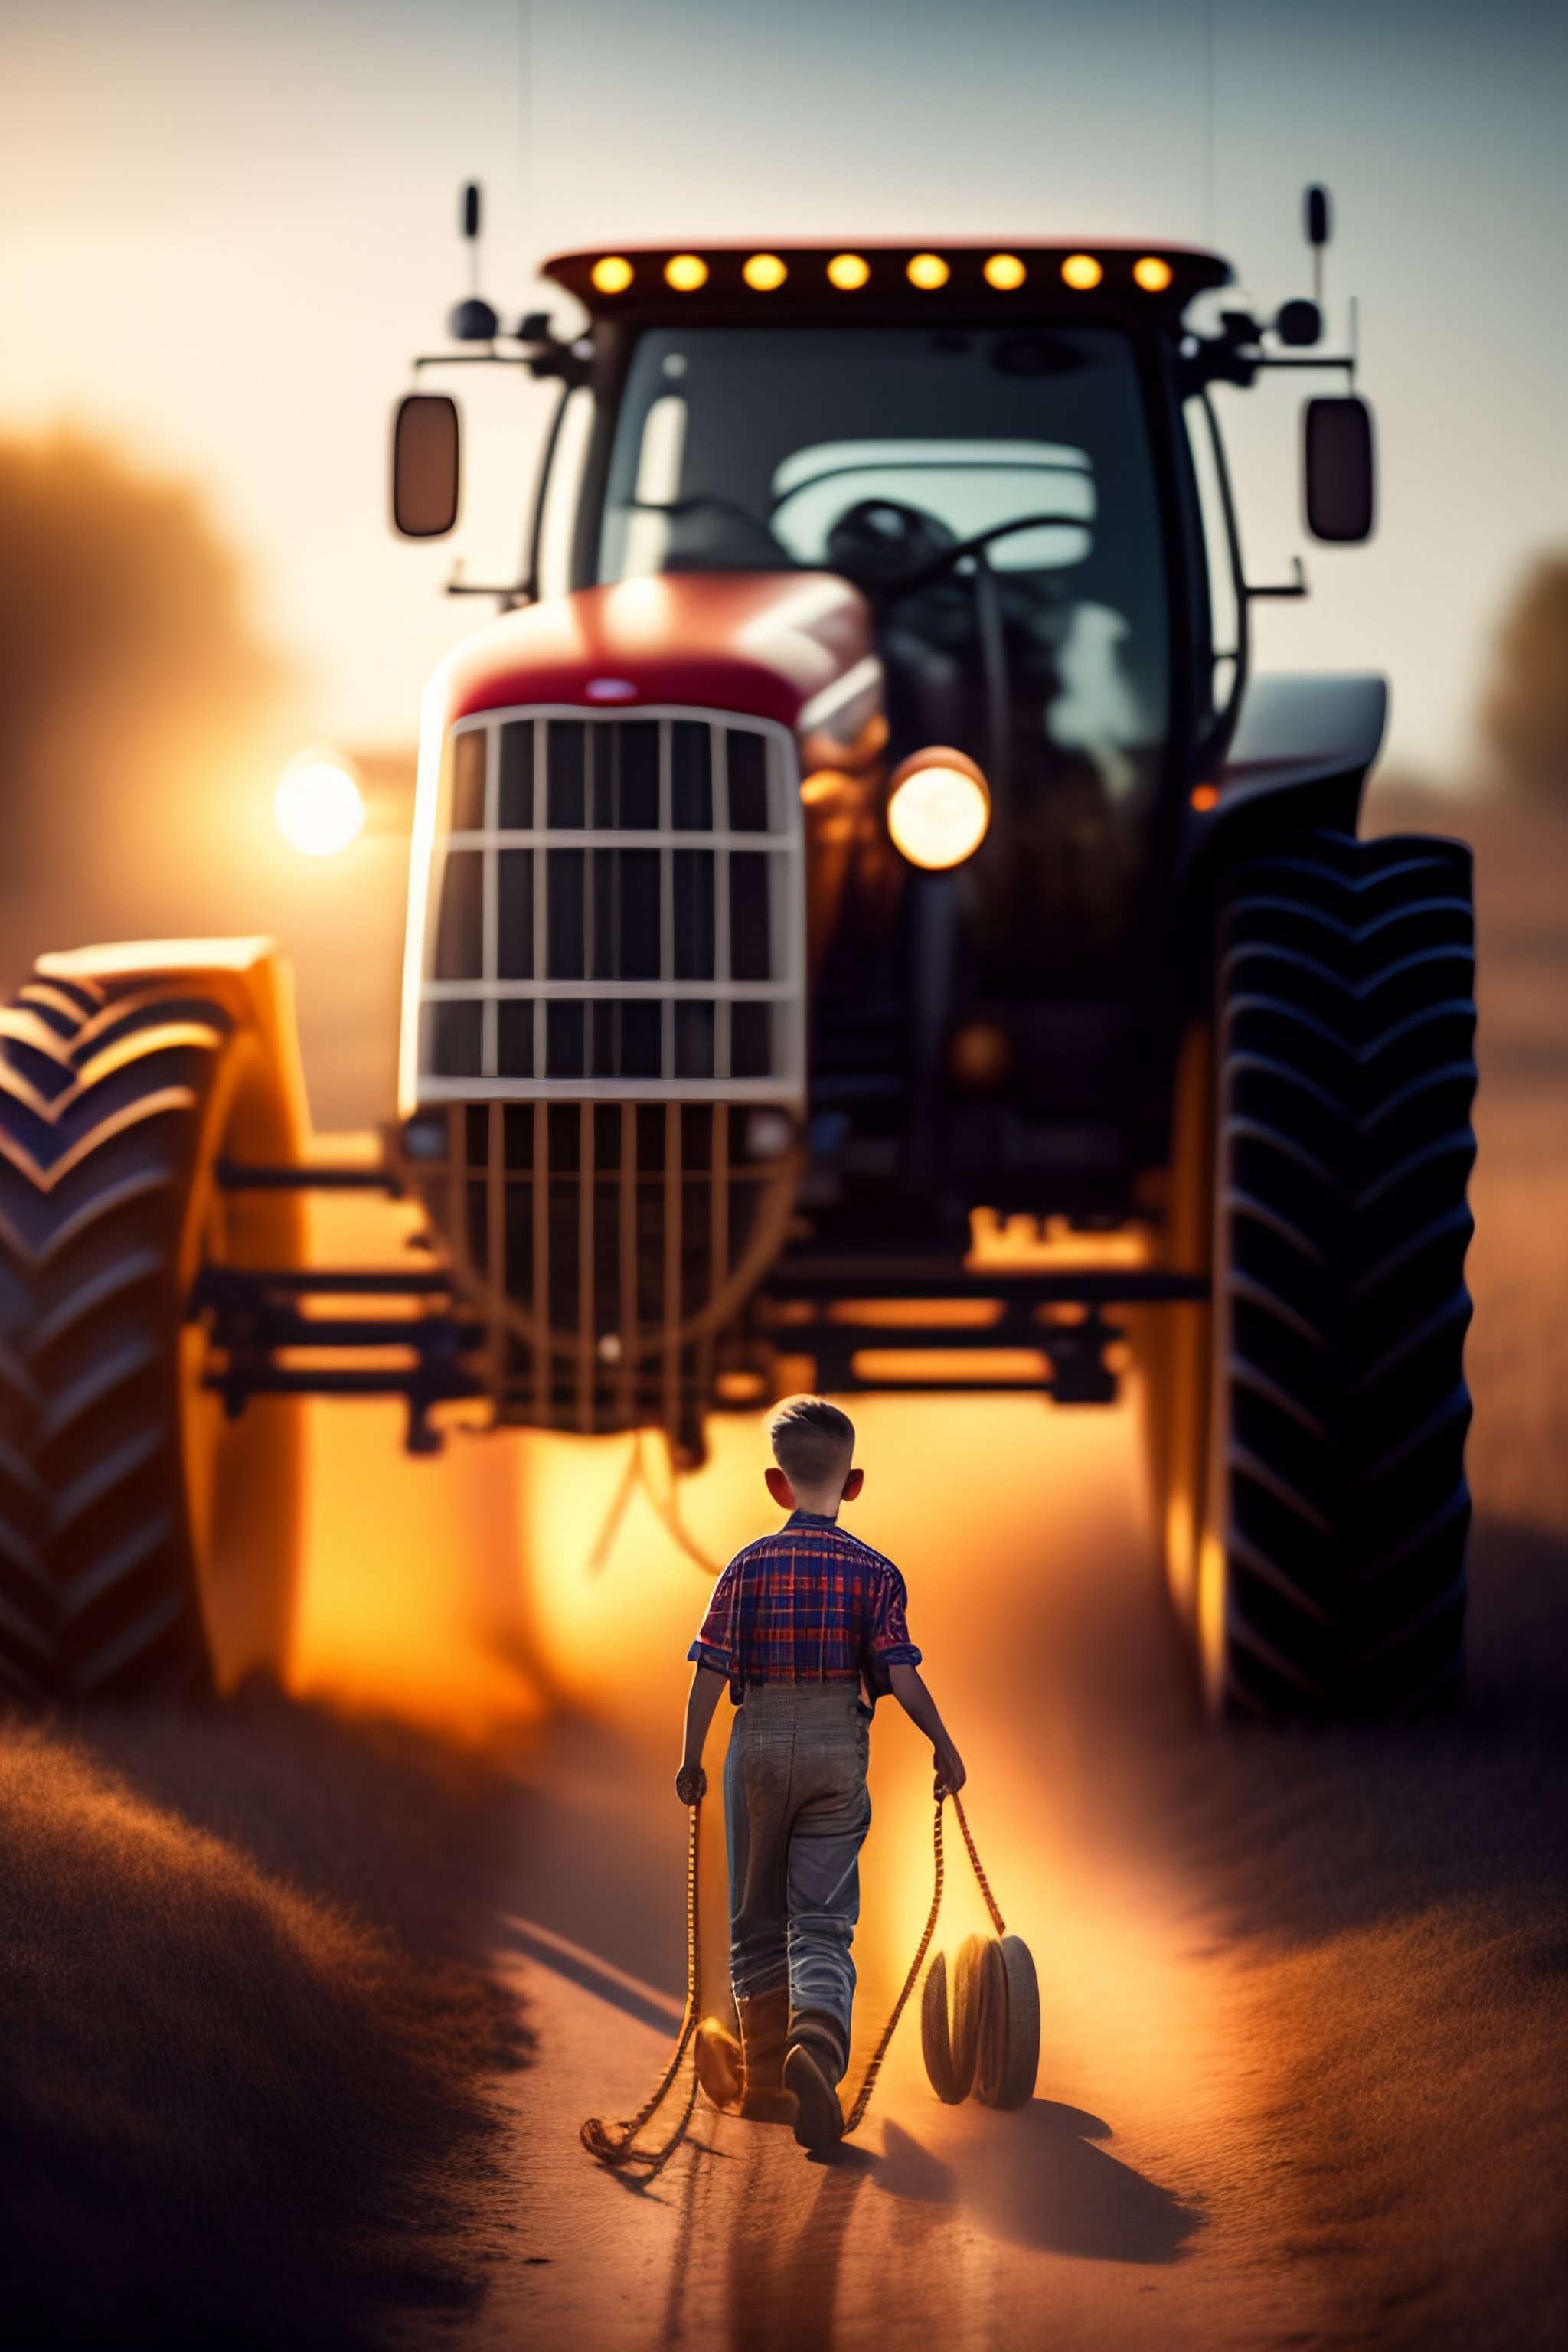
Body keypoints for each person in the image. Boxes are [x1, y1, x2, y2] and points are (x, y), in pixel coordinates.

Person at [676, 1396, 965, 2151]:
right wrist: (943, 1744)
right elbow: (900, 1675)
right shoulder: (876, 1574)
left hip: (759, 1743)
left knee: (755, 1918)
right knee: (823, 1918)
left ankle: (768, 2083)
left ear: (777, 1485)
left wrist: (688, 1758)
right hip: (840, 1740)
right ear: (854, 1482)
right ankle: (820, 2047)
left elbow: (709, 1670)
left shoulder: (745, 1567)